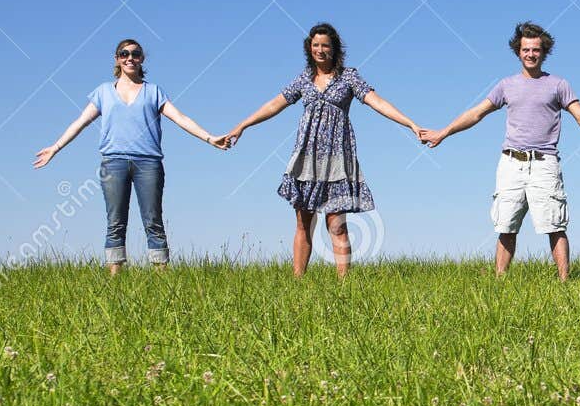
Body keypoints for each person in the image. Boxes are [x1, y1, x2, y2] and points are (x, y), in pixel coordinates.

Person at [420, 22, 580, 279]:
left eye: (536, 50)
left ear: (544, 52)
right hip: (511, 163)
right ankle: (499, 284)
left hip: (544, 164)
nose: (531, 54)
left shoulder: (558, 85)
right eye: (526, 49)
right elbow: (476, 113)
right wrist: (444, 132)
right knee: (506, 225)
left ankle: (564, 283)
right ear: (518, 52)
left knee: (555, 225)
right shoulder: (506, 85)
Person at [224, 24, 422, 277]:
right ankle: (297, 282)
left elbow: (378, 102)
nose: (320, 50)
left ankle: (344, 285)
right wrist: (242, 125)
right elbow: (275, 104)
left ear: (334, 49)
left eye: (325, 45)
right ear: (309, 47)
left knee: (336, 223)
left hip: (337, 157)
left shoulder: (348, 77)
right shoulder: (304, 78)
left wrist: (410, 124)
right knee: (302, 221)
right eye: (315, 45)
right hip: (307, 156)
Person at [33, 38, 228, 273]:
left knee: (153, 220)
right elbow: (80, 122)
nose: (130, 58)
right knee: (115, 222)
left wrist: (209, 137)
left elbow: (180, 118)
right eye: (124, 54)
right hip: (113, 162)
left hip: (148, 162)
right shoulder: (104, 92)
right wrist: (55, 147)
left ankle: (161, 277)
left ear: (142, 59)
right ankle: (115, 279)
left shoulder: (153, 91)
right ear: (117, 59)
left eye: (135, 54)